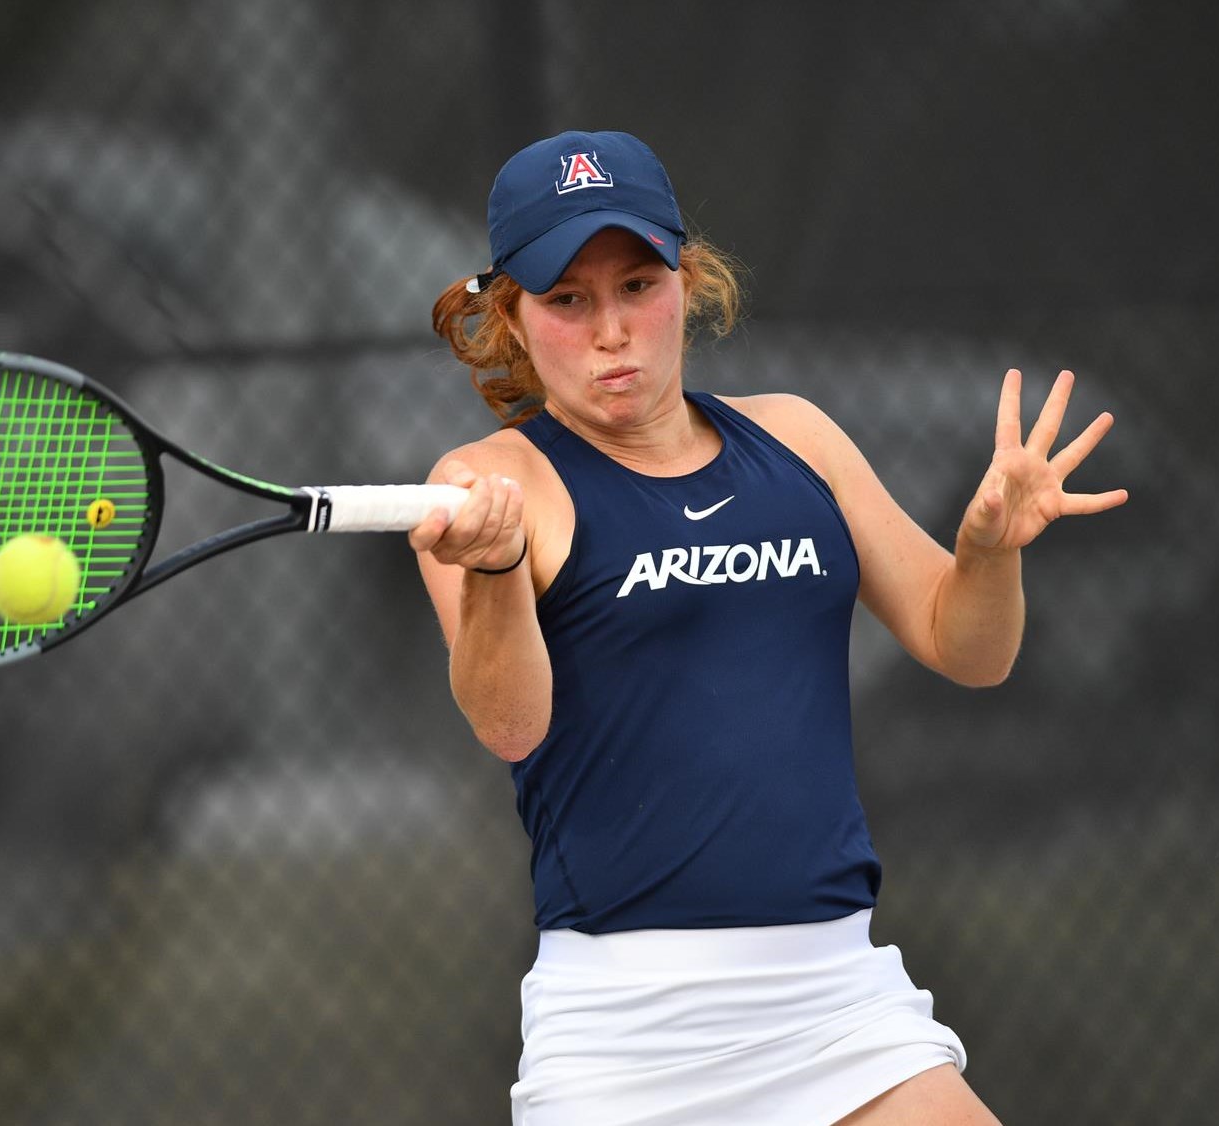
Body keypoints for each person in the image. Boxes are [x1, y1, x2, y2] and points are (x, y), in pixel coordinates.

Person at [410, 129, 1127, 1126]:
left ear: (685, 280)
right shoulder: (488, 483)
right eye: (567, 300)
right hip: (625, 1031)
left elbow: (969, 647)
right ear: (512, 321)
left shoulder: (795, 436)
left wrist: (987, 552)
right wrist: (492, 571)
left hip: (840, 1006)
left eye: (634, 285)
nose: (610, 329)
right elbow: (507, 725)